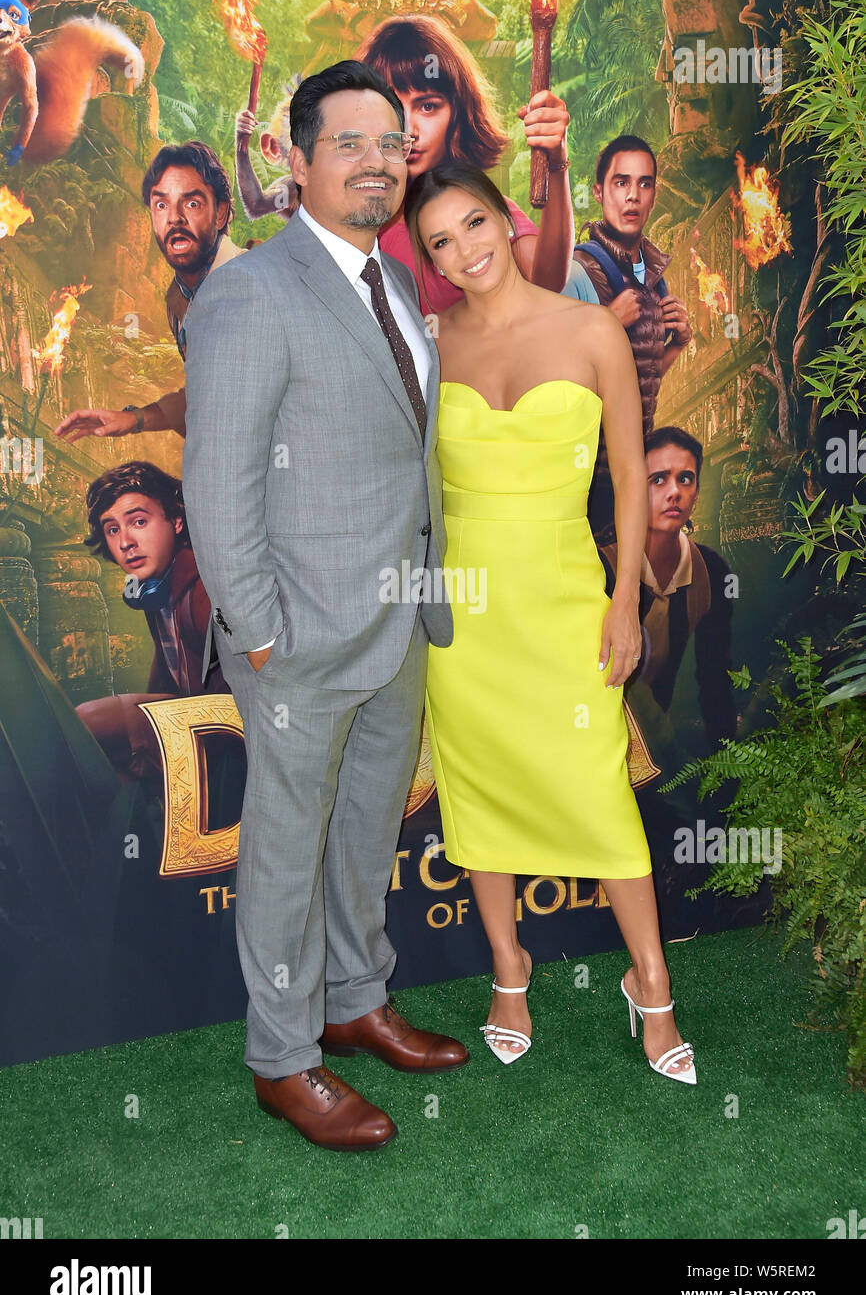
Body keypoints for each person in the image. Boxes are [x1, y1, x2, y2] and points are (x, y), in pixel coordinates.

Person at [181, 60, 467, 1154]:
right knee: (287, 847)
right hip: (294, 638)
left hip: (397, 622)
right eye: (347, 141)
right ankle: (283, 1057)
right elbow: (219, 484)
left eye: (389, 142)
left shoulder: (392, 282)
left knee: (364, 828)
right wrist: (259, 631)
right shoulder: (251, 289)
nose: (375, 160)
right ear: (296, 163)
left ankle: (356, 996)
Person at [405, 162, 696, 1084]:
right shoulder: (424, 341)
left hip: (567, 595)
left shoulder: (591, 330)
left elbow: (625, 481)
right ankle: (509, 970)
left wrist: (623, 604)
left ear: (509, 219)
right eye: (440, 242)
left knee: (600, 793)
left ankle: (651, 982)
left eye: (475, 225)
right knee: (478, 791)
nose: (464, 252)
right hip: (465, 614)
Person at [233, 13, 574, 308]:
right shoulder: (342, 211)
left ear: (457, 114)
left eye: (428, 106)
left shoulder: (477, 210)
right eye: (394, 107)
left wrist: (557, 163)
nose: (409, 129)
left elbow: (545, 280)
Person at [54, 141, 244, 443]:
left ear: (220, 214)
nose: (174, 218)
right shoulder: (178, 300)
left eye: (192, 203)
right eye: (161, 204)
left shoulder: (255, 286)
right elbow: (208, 395)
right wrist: (134, 418)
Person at [76, 462, 229, 782]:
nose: (125, 541)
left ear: (175, 521)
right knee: (110, 778)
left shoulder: (207, 588)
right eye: (112, 529)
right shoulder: (154, 590)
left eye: (139, 521)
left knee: (84, 723)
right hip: (188, 720)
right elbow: (167, 669)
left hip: (223, 734)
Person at [573, 135, 692, 541]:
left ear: (654, 194)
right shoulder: (581, 269)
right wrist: (606, 322)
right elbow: (554, 372)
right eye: (621, 183)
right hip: (588, 473)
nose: (632, 196)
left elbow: (639, 377)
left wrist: (674, 346)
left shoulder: (653, 274)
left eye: (644, 184)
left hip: (633, 468)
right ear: (599, 191)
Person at [599, 427, 737, 751]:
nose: (673, 491)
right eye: (658, 479)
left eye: (685, 479)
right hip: (597, 730)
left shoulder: (709, 571)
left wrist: (724, 768)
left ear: (698, 491)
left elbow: (714, 679)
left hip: (664, 744)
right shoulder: (602, 564)